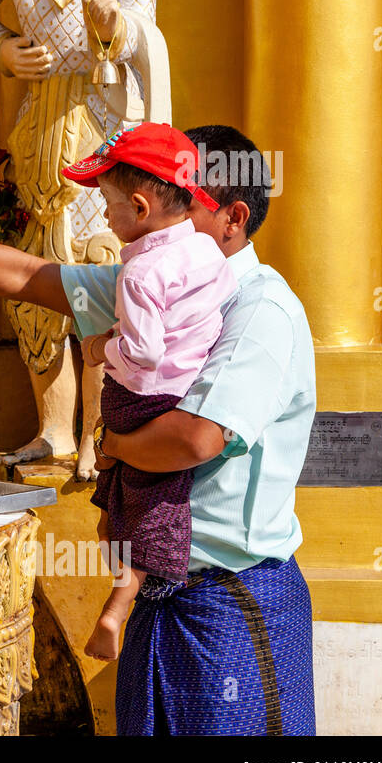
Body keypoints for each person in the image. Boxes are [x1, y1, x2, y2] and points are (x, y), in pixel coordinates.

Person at [0, 124, 316, 735]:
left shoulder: (259, 309)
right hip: (162, 595)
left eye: (183, 200)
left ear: (231, 218)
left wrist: (109, 444)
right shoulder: (162, 276)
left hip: (230, 599)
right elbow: (28, 276)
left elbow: (195, 439)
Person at [0, 0, 167, 478]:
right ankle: (52, 429)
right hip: (38, 129)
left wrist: (109, 20)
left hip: (105, 130)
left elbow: (141, 38)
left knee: (103, 276)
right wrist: (3, 49)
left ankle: (101, 433)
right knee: (36, 285)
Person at [57, 124, 236, 662]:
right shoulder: (205, 250)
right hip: (176, 396)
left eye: (108, 205)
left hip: (138, 399)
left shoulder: (140, 272)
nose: (105, 217)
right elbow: (216, 303)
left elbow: (143, 353)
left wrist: (97, 350)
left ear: (138, 206)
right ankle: (120, 595)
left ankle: (117, 604)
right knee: (138, 500)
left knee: (142, 507)